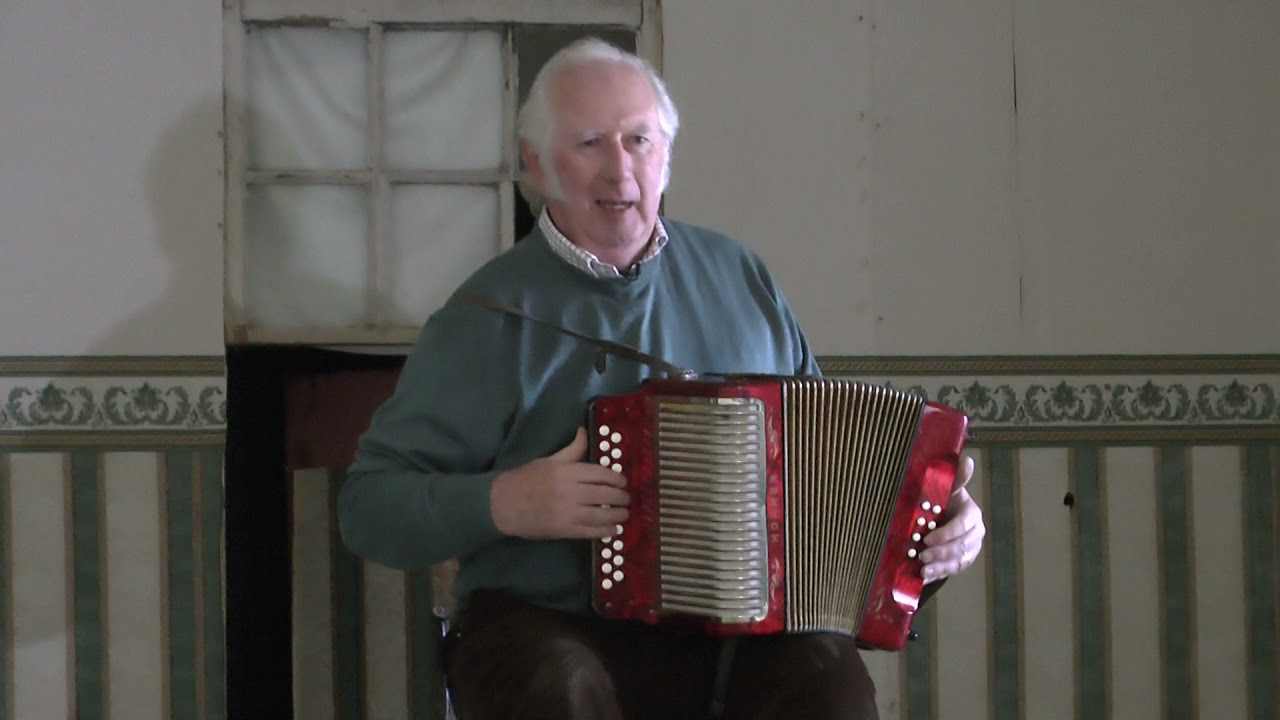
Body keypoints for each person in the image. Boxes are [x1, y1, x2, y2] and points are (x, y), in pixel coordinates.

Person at [338, 38, 986, 720]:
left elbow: (830, 479)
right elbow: (368, 508)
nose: (619, 170)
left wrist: (932, 528)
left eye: (639, 140)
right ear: (536, 163)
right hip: (543, 626)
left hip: (739, 636)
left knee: (829, 686)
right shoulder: (483, 318)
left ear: (666, 155)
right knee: (554, 689)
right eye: (589, 143)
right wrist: (506, 504)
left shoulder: (740, 277)